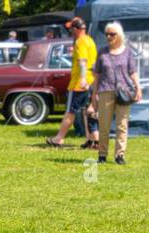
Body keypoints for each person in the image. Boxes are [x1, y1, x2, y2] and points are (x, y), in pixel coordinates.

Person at [46, 17, 99, 149]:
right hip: (91, 80)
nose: (70, 31)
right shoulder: (90, 40)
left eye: (71, 28)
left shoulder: (80, 42)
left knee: (70, 111)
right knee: (89, 112)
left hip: (79, 83)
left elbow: (82, 61)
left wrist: (82, 79)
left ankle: (58, 139)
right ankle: (93, 141)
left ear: (76, 29)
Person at [93, 21, 140, 165]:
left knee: (122, 125)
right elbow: (96, 75)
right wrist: (94, 94)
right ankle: (102, 155)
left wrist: (138, 87)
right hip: (105, 91)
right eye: (107, 34)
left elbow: (133, 72)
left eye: (112, 34)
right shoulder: (102, 52)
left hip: (124, 92)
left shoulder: (128, 52)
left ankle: (120, 155)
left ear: (119, 35)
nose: (109, 36)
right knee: (104, 125)